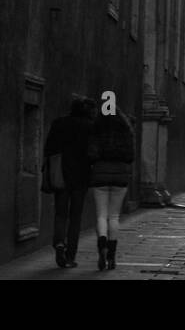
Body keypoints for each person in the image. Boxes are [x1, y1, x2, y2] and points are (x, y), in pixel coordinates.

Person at [44, 97, 96, 268]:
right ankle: (70, 256)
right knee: (75, 217)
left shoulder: (59, 123)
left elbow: (49, 149)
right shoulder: (90, 127)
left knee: (60, 213)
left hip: (61, 174)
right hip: (81, 177)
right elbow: (93, 152)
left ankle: (59, 242)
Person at [88, 105, 135, 271]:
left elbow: (91, 154)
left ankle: (102, 246)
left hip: (100, 173)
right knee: (114, 216)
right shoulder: (125, 129)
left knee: (101, 215)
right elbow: (131, 156)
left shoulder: (96, 128)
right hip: (120, 175)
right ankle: (111, 256)